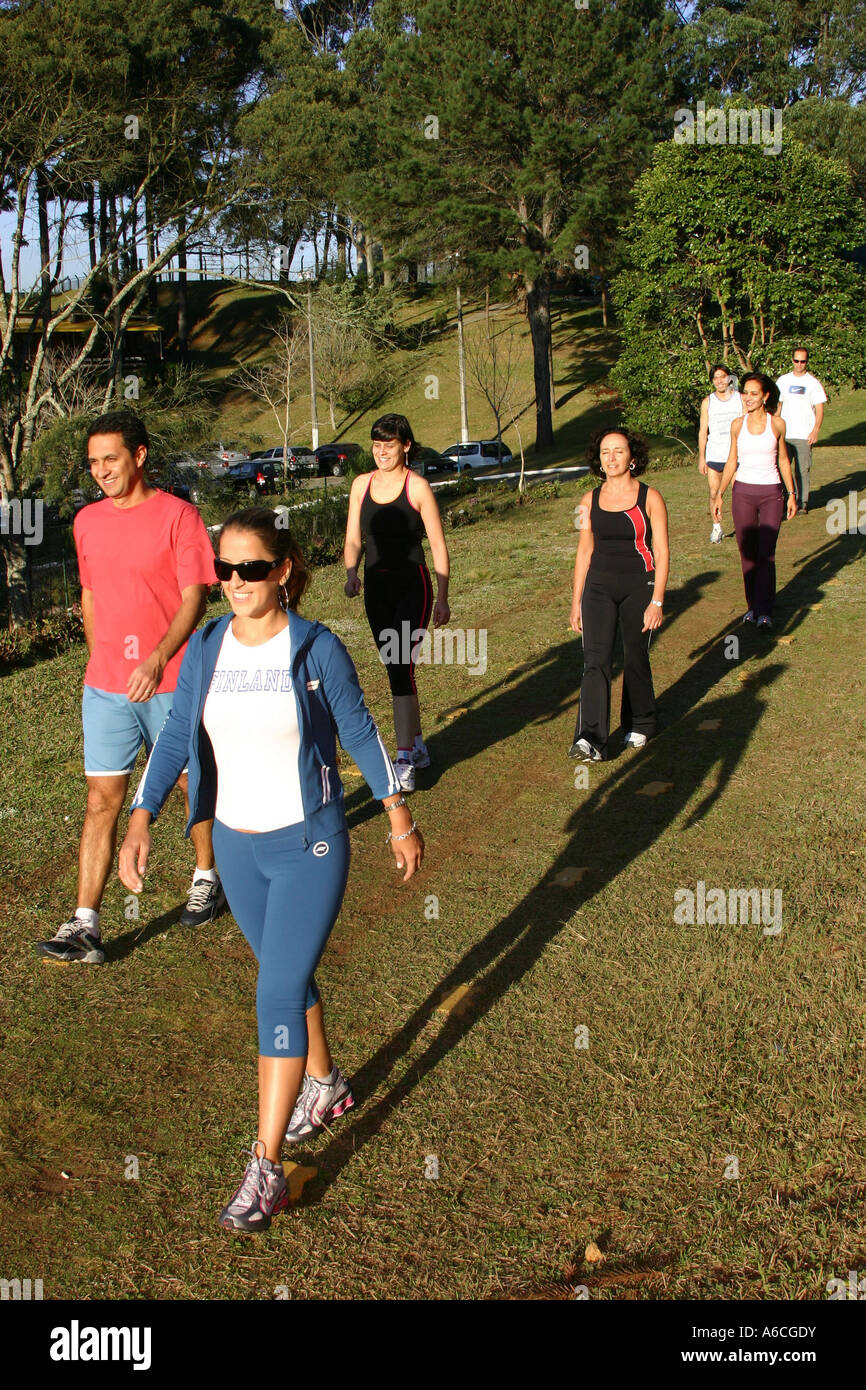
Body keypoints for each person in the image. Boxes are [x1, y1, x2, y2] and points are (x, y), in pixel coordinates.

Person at [119, 507, 423, 1232]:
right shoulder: (207, 646)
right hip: (236, 847)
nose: (235, 582)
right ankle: (325, 1082)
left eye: (251, 569)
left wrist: (398, 818)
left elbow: (361, 732)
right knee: (288, 976)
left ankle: (264, 1166)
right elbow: (176, 743)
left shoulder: (316, 648)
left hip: (309, 845)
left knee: (275, 992)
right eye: (224, 570)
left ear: (283, 570)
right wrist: (141, 817)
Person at [36, 411, 224, 966]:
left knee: (190, 783)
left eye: (110, 459)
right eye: (93, 463)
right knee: (101, 799)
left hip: (170, 677)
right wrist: (100, 661)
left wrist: (158, 657)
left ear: (139, 455)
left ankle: (207, 877)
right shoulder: (86, 521)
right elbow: (91, 596)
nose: (101, 472)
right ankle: (86, 923)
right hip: (107, 688)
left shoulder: (179, 516)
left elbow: (195, 597)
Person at [343, 413, 450, 793]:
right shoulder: (361, 485)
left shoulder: (417, 486)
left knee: (400, 666)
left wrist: (443, 596)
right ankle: (418, 746)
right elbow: (354, 536)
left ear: (406, 445)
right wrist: (352, 572)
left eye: (389, 444)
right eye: (376, 444)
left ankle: (404, 757)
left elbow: (437, 543)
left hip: (414, 587)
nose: (381, 451)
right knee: (396, 666)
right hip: (376, 589)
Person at [568, 428, 669, 761]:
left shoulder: (650, 498)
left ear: (632, 457)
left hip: (639, 585)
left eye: (618, 451)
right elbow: (584, 552)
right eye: (605, 452)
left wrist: (657, 600)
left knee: (634, 656)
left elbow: (662, 551)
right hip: (597, 588)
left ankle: (641, 720)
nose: (610, 458)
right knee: (595, 661)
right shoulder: (588, 501)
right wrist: (576, 602)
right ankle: (590, 737)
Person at [713, 372, 797, 630]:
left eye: (754, 393)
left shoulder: (777, 424)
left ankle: (765, 611)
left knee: (766, 553)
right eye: (745, 393)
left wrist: (792, 493)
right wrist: (719, 493)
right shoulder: (737, 425)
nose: (748, 398)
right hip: (743, 493)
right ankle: (753, 608)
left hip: (772, 493)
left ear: (765, 396)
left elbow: (783, 460)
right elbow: (731, 461)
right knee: (747, 553)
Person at [775, 348, 827, 513]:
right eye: (796, 361)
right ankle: (784, 500)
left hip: (804, 435)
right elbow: (778, 405)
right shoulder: (783, 381)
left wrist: (815, 430)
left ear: (807, 362)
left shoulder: (813, 383)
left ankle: (802, 503)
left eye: (802, 361)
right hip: (784, 434)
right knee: (780, 468)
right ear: (792, 361)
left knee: (802, 470)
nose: (799, 364)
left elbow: (819, 409)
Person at [698, 364, 742, 544]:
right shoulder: (708, 402)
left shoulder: (740, 399)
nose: (719, 381)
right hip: (714, 454)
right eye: (715, 378)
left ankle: (743, 527)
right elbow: (703, 431)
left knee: (739, 492)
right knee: (714, 492)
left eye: (722, 376)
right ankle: (717, 528)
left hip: (736, 454)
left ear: (729, 378)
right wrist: (701, 457)